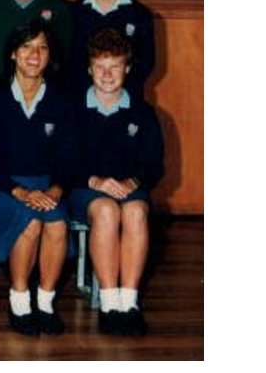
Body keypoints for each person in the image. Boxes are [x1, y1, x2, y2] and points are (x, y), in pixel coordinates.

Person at [0, 19, 76, 336]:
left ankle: (46, 301)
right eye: (26, 47)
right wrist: (18, 191)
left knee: (57, 222)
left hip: (48, 185)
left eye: (42, 47)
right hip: (2, 186)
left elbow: (69, 154)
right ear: (12, 54)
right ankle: (20, 298)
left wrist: (57, 189)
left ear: (50, 55)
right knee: (30, 221)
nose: (34, 55)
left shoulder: (62, 101)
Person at [70, 29, 164, 336]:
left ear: (127, 68)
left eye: (115, 66)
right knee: (108, 211)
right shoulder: (73, 109)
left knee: (136, 212)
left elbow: (154, 165)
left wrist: (132, 181)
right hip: (86, 188)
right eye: (100, 67)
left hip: (128, 186)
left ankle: (129, 302)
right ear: (89, 68)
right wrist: (95, 180)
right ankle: (109, 302)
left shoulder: (142, 112)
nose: (107, 74)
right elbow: (61, 160)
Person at [68, 0, 156, 97]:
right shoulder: (74, 13)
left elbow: (146, 63)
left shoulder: (140, 14)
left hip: (126, 97)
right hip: (82, 97)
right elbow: (70, 62)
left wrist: (116, 93)